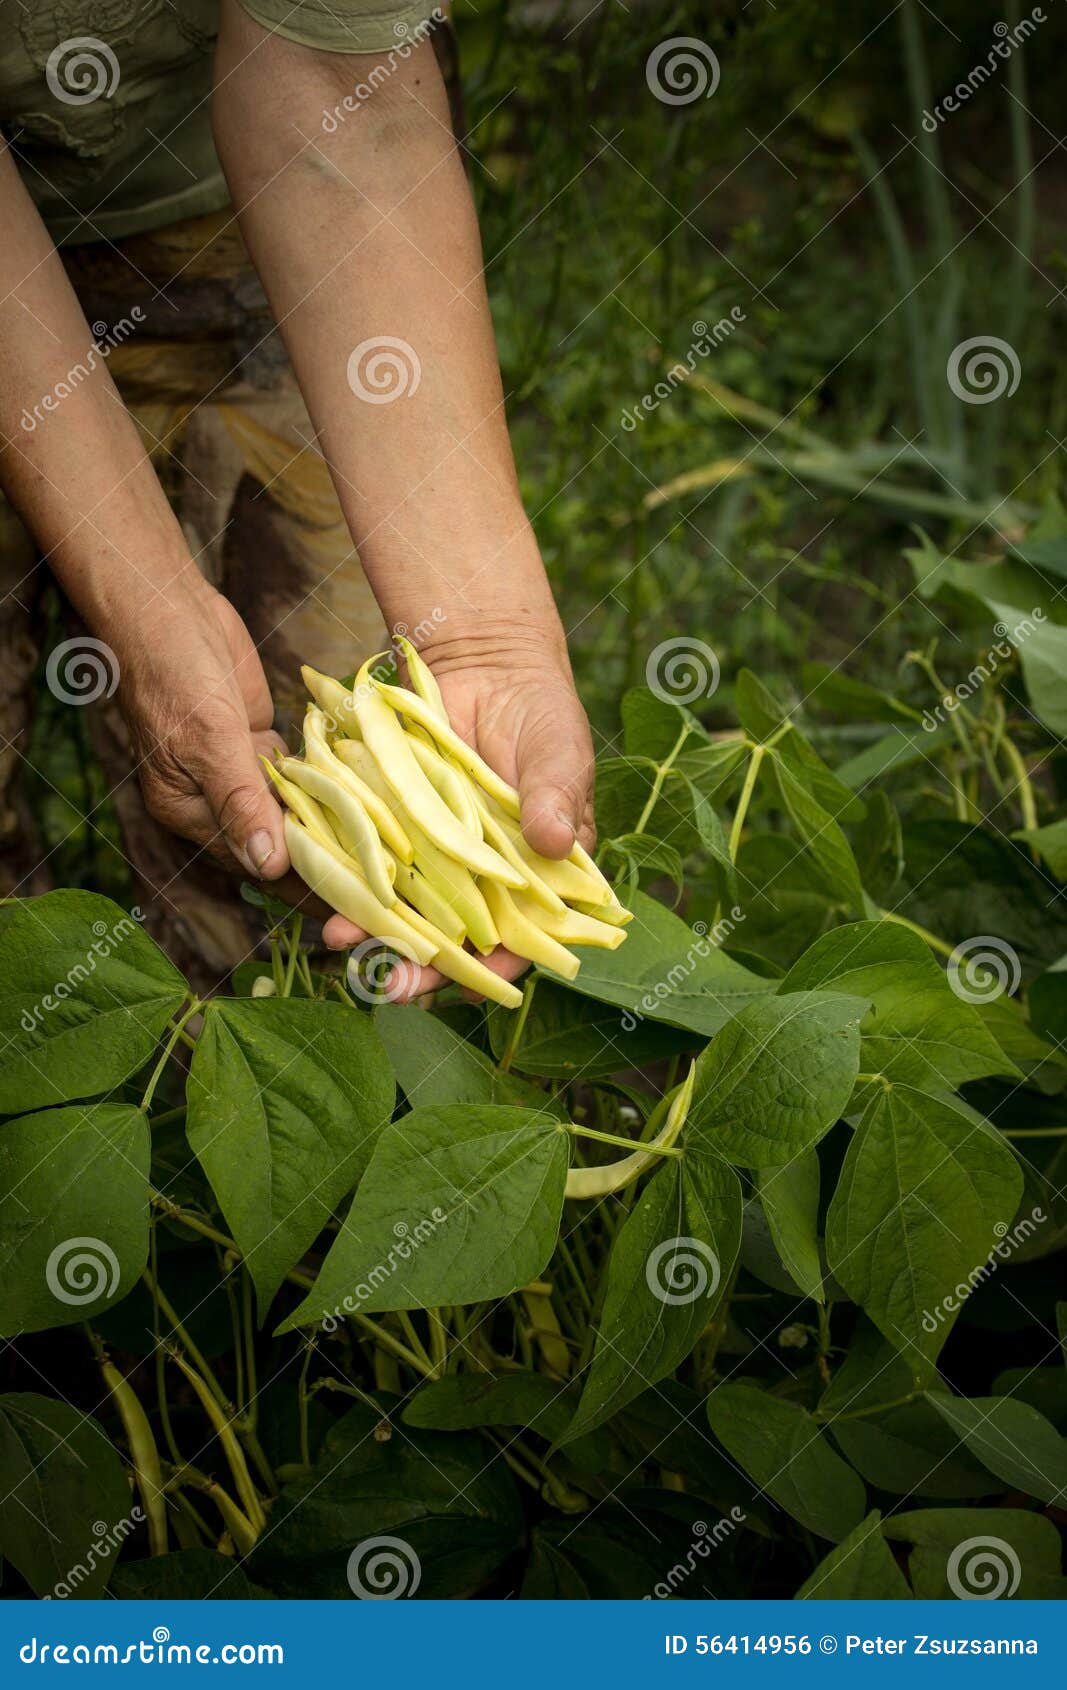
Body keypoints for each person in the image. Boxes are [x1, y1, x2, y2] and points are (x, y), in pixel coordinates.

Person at [0, 0, 595, 994]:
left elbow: (339, 93)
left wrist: (484, 640)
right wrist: (147, 604)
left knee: (327, 795)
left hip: (233, 199)